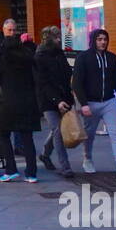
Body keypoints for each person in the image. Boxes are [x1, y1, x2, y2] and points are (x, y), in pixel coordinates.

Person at [71, 28, 116, 178]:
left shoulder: (112, 58)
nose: (103, 42)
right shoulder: (83, 58)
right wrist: (83, 103)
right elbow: (77, 83)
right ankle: (87, 159)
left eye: (105, 39)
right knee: (89, 135)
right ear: (93, 40)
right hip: (90, 103)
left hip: (109, 102)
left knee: (115, 134)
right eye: (99, 39)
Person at [0, 33, 40, 182]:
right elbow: (37, 80)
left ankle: (11, 169)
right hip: (28, 103)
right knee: (28, 138)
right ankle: (31, 173)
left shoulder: (3, 61)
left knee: (3, 134)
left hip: (9, 104)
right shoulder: (29, 60)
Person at [34, 26, 75, 179]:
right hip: (47, 99)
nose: (59, 39)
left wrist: (70, 93)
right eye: (56, 37)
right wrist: (56, 100)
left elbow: (66, 74)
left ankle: (45, 153)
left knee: (57, 129)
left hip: (64, 96)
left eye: (59, 36)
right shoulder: (39, 56)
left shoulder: (60, 54)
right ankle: (65, 167)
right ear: (49, 38)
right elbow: (43, 83)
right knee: (58, 130)